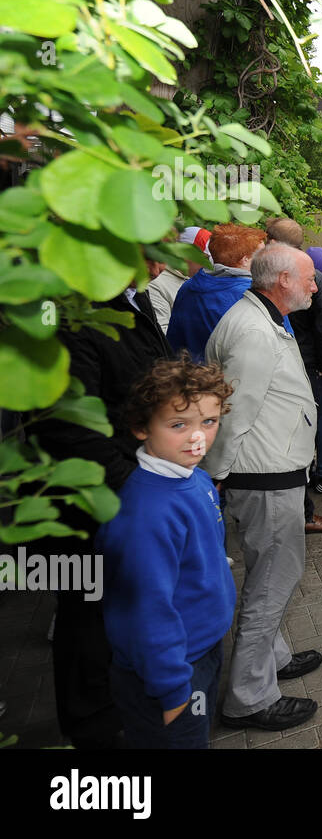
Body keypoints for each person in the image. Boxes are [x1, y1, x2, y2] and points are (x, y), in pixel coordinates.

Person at [32, 274, 170, 749]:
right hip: (92, 507)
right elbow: (69, 427)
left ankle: (127, 710)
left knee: (123, 612)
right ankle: (95, 733)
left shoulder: (134, 300)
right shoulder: (75, 313)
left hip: (130, 491)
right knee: (87, 623)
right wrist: (134, 487)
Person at [206, 243, 322, 732]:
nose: (316, 284)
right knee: (271, 583)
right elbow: (233, 413)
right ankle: (249, 697)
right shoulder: (254, 330)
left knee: (267, 573)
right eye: (308, 277)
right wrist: (214, 476)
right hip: (264, 476)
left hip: (269, 471)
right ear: (281, 282)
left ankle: (271, 658)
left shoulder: (260, 316)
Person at [98, 358, 237, 748]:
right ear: (142, 428)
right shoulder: (145, 515)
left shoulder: (197, 478)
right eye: (178, 425)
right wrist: (173, 689)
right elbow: (144, 612)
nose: (197, 438)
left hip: (202, 650)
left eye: (208, 422)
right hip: (171, 673)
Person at [264, 217, 322, 532]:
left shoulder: (262, 276)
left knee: (293, 428)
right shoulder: (309, 277)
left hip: (286, 362)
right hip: (312, 364)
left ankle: (307, 483)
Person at [166, 224, 266, 362]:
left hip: (182, 375)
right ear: (244, 259)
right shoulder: (253, 296)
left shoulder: (188, 286)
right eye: (262, 256)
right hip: (224, 379)